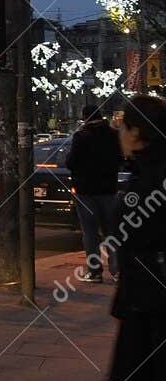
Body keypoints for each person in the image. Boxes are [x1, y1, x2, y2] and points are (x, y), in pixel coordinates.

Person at [108, 95, 166, 381]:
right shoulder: (145, 173)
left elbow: (133, 242)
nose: (120, 134)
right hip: (142, 302)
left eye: (124, 126)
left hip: (151, 305)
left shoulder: (149, 180)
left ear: (139, 132)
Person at [68, 103, 123, 282]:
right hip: (108, 189)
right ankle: (117, 270)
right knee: (112, 231)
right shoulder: (113, 135)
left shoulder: (81, 137)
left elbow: (71, 162)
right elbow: (120, 159)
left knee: (90, 233)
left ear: (85, 118)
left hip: (86, 191)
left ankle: (95, 271)